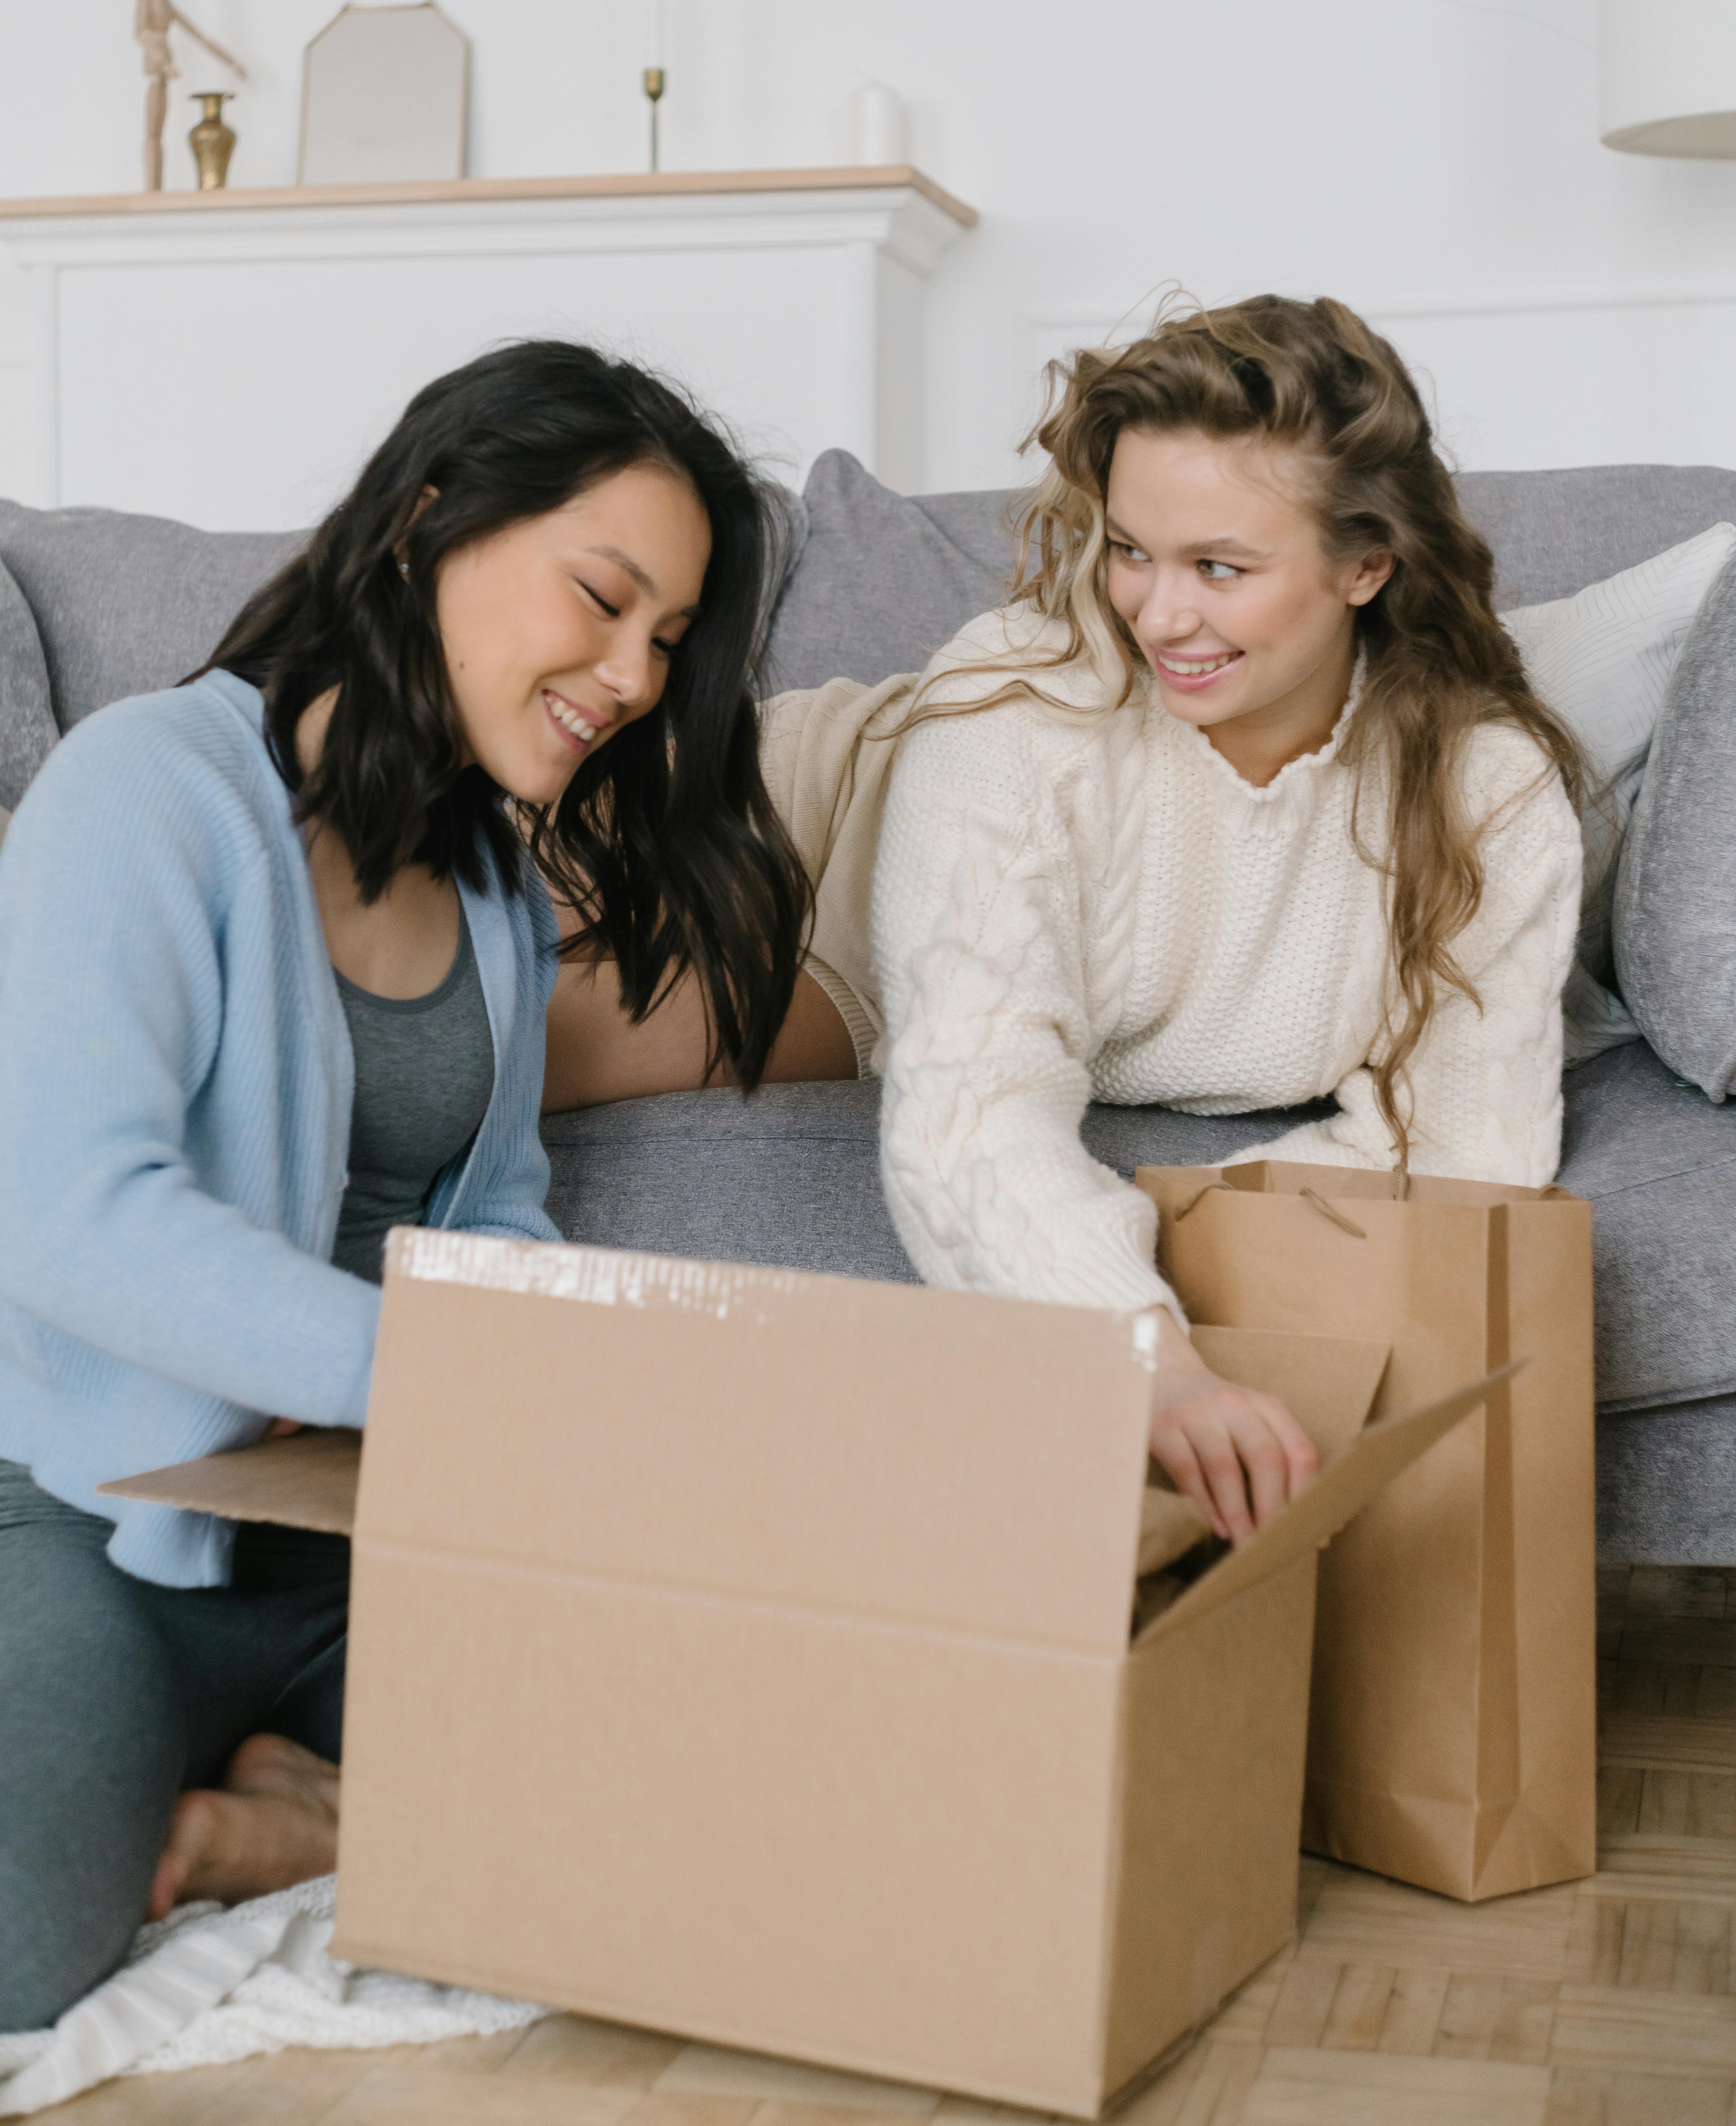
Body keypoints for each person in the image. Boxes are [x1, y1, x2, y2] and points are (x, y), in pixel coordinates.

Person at [0, 340, 807, 2030]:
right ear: (432, 519)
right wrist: (404, 1369)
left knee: (749, 1785)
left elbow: (495, 1212)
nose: (635, 675)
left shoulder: (496, 899)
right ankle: (309, 1809)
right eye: (601, 598)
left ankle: (315, 1821)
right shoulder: (146, 790)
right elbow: (67, 1209)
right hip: (91, 1527)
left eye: (666, 641)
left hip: (362, 1544)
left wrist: (555, 1401)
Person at [544, 295, 1586, 1553]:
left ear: (1367, 567)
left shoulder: (1489, 792)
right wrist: (1147, 1354)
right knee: (452, 1029)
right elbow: (969, 1117)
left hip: (876, 970)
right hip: (772, 847)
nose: (1156, 614)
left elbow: (1472, 1154)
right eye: (1130, 549)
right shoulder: (1020, 701)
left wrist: (1144, 1244)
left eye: (1221, 568)